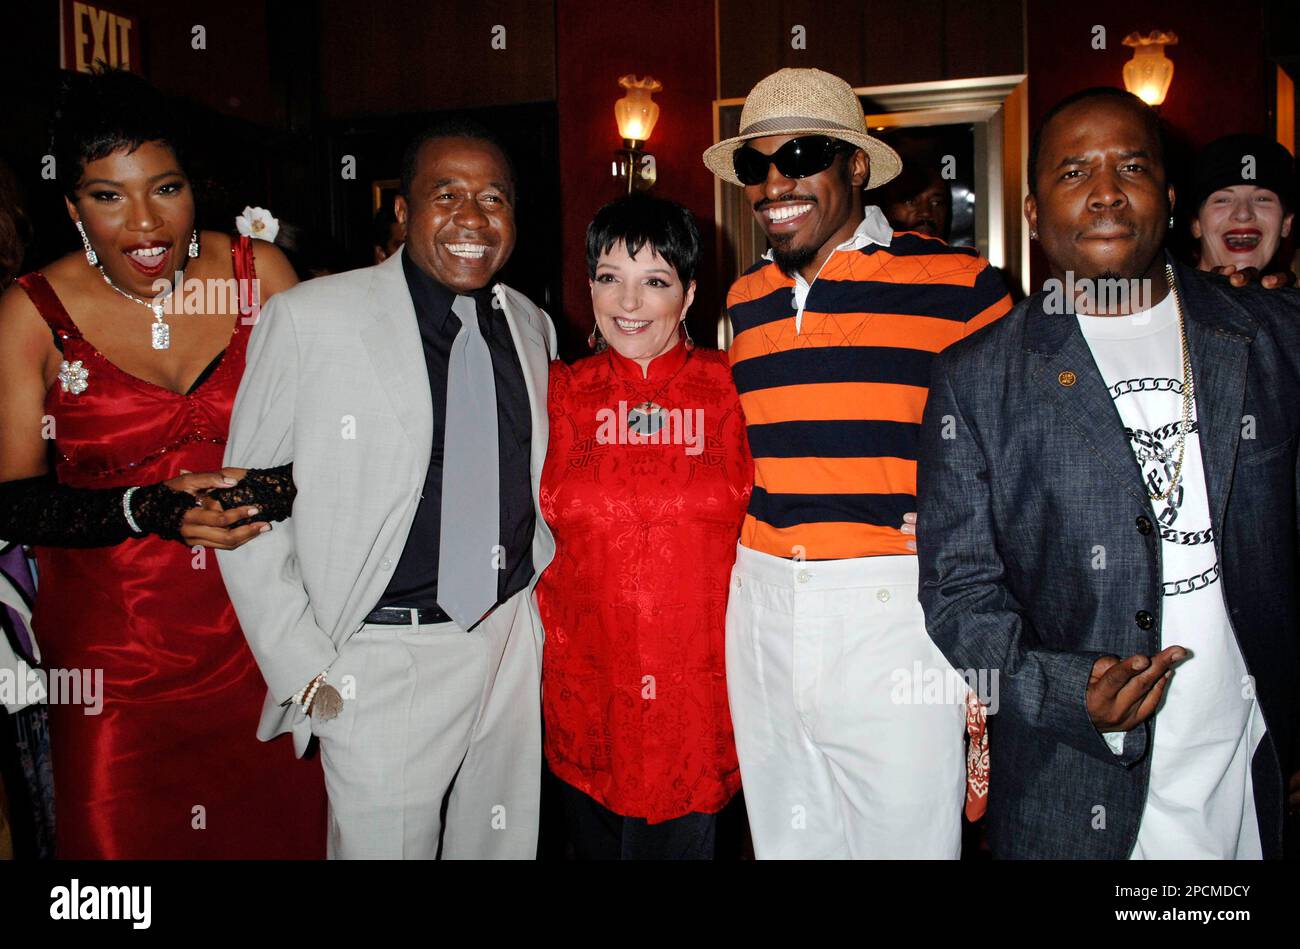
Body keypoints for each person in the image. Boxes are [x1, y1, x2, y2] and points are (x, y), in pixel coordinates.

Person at [917, 87, 1300, 859]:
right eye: (1073, 173)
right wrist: (1062, 690)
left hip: (1247, 764)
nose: (1105, 192)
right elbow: (958, 595)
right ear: (1031, 213)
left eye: (1131, 165)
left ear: (1169, 193)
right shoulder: (978, 378)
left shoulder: (1274, 336)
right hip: (1072, 785)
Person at [0, 68, 324, 858]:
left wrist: (272, 489)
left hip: (264, 643)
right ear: (73, 207)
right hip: (115, 674)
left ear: (195, 187)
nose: (144, 222)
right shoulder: (30, 314)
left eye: (165, 188)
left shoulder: (262, 278)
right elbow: (10, 504)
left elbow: (338, 449)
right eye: (108, 196)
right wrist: (145, 507)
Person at [216, 122, 556, 859]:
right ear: (403, 213)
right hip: (380, 659)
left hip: (507, 642)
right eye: (447, 195)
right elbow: (245, 508)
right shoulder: (312, 319)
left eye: (493, 198)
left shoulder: (532, 326)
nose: (472, 217)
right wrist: (309, 675)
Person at [702, 67, 1012, 859]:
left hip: (894, 611)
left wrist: (968, 520)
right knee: (786, 841)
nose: (777, 181)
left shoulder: (962, 287)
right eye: (756, 164)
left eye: (802, 155)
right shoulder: (740, 303)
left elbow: (1032, 445)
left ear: (858, 166)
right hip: (762, 602)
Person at [537, 194, 751, 859]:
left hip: (704, 712)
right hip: (586, 708)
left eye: (654, 280)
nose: (628, 301)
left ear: (688, 295)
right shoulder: (556, 394)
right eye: (609, 277)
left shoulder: (737, 392)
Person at [1188, 133, 1294, 279]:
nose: (1243, 213)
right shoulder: (1150, 294)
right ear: (1196, 224)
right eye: (1223, 200)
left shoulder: (1289, 299)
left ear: (1286, 224)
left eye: (1262, 199)